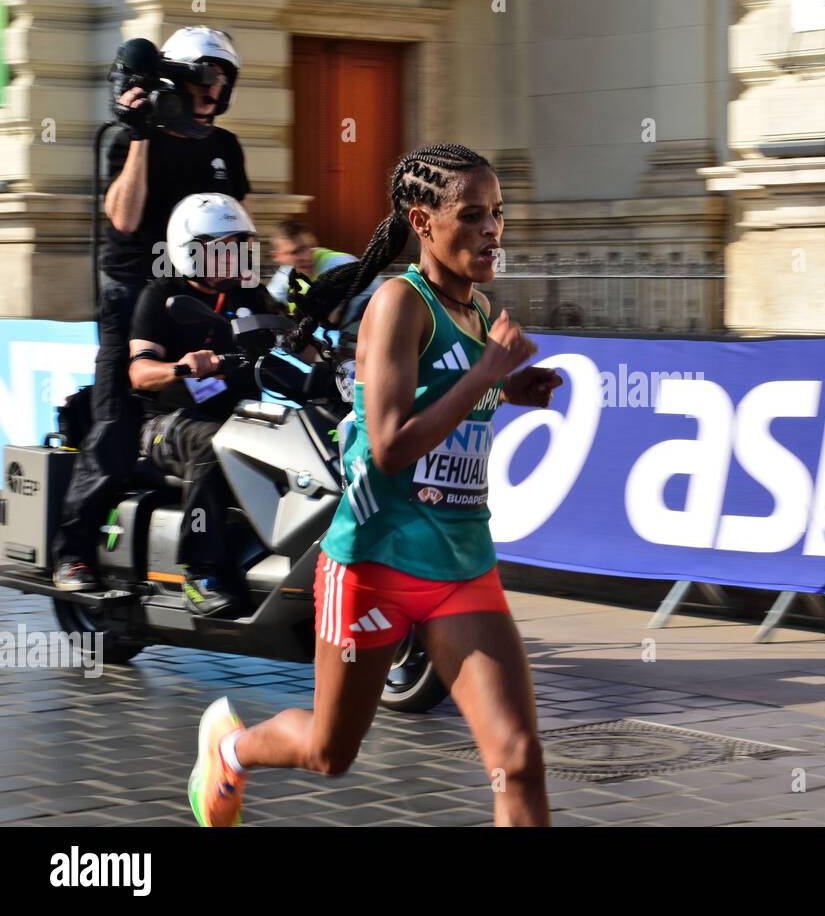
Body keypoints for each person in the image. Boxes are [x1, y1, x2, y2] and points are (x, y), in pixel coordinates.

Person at [187, 143, 563, 828]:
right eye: (473, 215)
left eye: (498, 214)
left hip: (459, 563)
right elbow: (390, 446)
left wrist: (507, 389)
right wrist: (485, 377)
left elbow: (448, 397)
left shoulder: (477, 310)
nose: (492, 231)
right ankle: (232, 749)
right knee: (331, 751)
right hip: (373, 562)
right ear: (422, 222)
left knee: (518, 756)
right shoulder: (397, 303)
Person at [53, 26, 250, 592]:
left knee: (235, 408)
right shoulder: (131, 137)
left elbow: (238, 230)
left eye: (224, 77)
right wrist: (140, 134)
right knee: (118, 424)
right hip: (132, 293)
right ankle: (75, 553)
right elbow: (125, 219)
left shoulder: (224, 148)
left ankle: (214, 542)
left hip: (198, 296)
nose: (215, 87)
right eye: (207, 75)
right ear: (182, 78)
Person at [128, 193, 277, 616]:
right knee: (214, 445)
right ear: (190, 251)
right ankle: (199, 573)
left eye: (239, 246)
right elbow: (140, 373)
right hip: (166, 424)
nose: (233, 257)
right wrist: (182, 368)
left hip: (241, 417)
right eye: (222, 248)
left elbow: (287, 341)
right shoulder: (160, 295)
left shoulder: (251, 292)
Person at [265, 220, 367, 325]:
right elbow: (265, 306)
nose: (305, 256)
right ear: (277, 256)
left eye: (306, 248)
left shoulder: (340, 265)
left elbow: (331, 320)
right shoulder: (286, 273)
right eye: (295, 252)